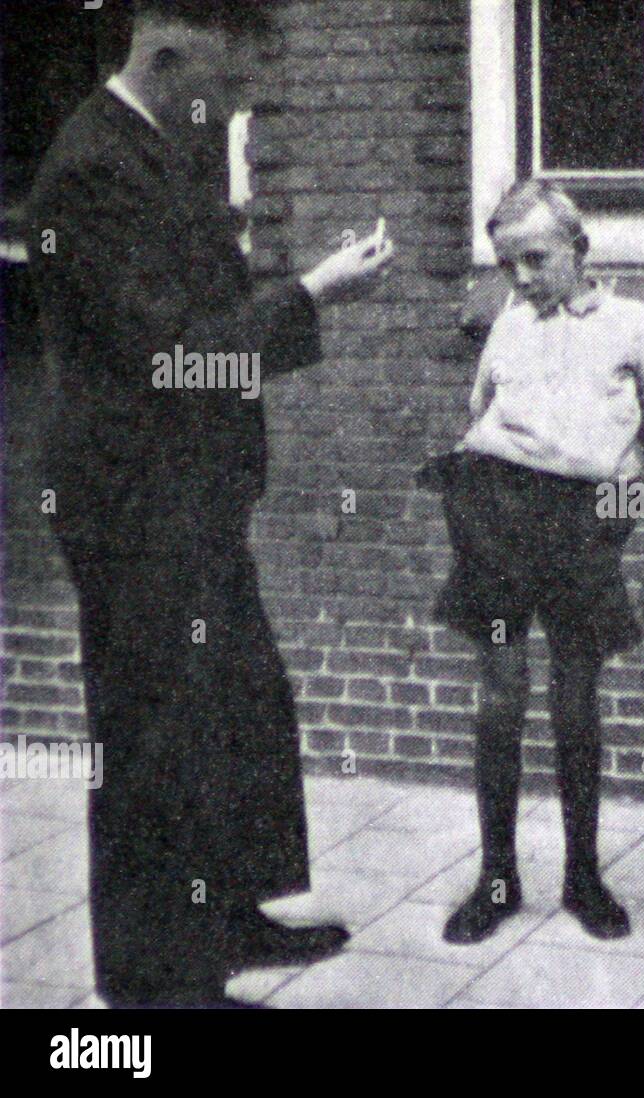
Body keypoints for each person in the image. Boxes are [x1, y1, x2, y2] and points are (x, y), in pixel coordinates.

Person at [24, 0, 394, 1008]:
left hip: (192, 499)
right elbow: (175, 355)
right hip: (135, 511)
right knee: (157, 743)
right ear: (168, 54)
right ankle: (156, 987)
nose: (236, 112)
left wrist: (292, 298)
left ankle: (227, 914)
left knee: (238, 707)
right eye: (227, 90)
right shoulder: (93, 170)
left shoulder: (161, 148)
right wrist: (312, 294)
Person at [429, 179, 644, 944]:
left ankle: (584, 876)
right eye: (507, 264)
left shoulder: (634, 327)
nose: (521, 278)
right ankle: (497, 878)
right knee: (500, 696)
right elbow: (479, 412)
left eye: (536, 260)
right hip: (497, 520)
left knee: (576, 693)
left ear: (580, 248)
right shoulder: (508, 324)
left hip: (583, 526)